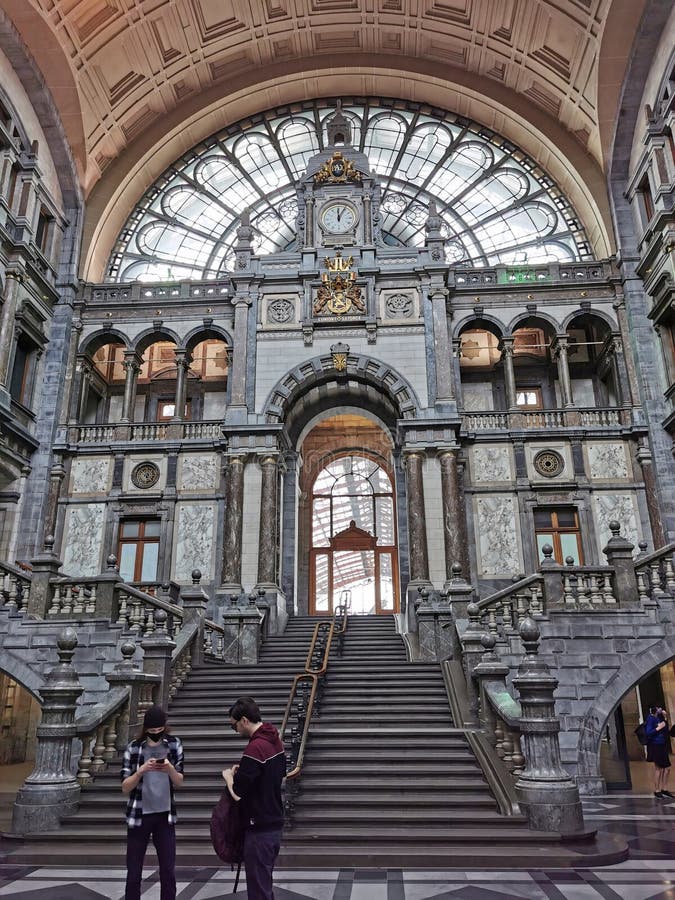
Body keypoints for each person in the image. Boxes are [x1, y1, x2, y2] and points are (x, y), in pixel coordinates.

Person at [222, 697, 286, 900]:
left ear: (244, 720)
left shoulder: (254, 748)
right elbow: (278, 774)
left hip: (258, 826)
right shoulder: (275, 741)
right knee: (264, 883)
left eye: (234, 726)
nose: (236, 730)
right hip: (274, 822)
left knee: (258, 889)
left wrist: (229, 777)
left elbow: (238, 793)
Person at [121, 705, 184, 900]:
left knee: (167, 869)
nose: (156, 734)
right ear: (145, 729)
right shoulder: (133, 748)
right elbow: (125, 787)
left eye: (159, 730)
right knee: (133, 870)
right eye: (152, 731)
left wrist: (170, 769)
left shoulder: (173, 745)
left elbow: (180, 781)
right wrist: (140, 771)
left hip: (165, 815)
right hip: (139, 815)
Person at [645, 705, 673, 800]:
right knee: (659, 768)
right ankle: (657, 790)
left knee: (667, 768)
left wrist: (665, 718)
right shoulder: (650, 719)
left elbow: (665, 729)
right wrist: (658, 728)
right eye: (658, 709)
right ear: (655, 710)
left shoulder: (658, 718)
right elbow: (648, 733)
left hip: (662, 745)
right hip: (655, 746)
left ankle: (664, 788)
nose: (660, 710)